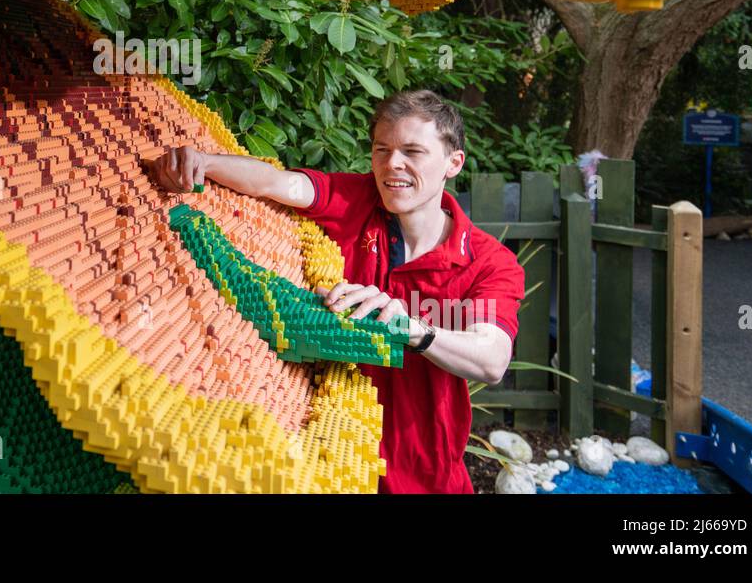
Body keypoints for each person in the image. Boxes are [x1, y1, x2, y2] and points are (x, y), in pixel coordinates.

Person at [147, 89, 524, 493]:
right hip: (326, 467)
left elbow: (491, 360)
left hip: (425, 476)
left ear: (453, 163)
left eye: (412, 152)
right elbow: (275, 183)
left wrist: (414, 329)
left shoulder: (488, 261)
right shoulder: (356, 198)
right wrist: (203, 163)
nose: (392, 164)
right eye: (382, 149)